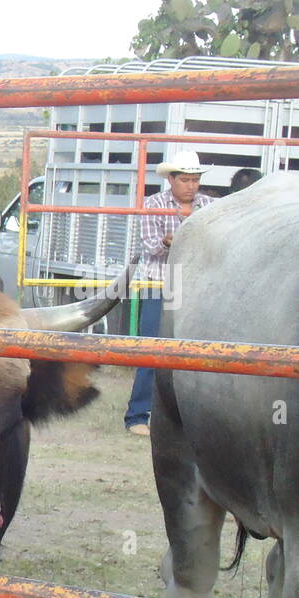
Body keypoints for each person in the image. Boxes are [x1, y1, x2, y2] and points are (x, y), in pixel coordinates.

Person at [124, 150, 214, 435]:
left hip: (197, 286)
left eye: (195, 180)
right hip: (160, 284)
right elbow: (151, 246)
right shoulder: (154, 204)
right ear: (171, 179)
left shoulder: (212, 206)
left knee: (199, 352)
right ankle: (138, 416)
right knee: (151, 350)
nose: (191, 186)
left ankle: (194, 418)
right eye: (185, 180)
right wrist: (169, 240)